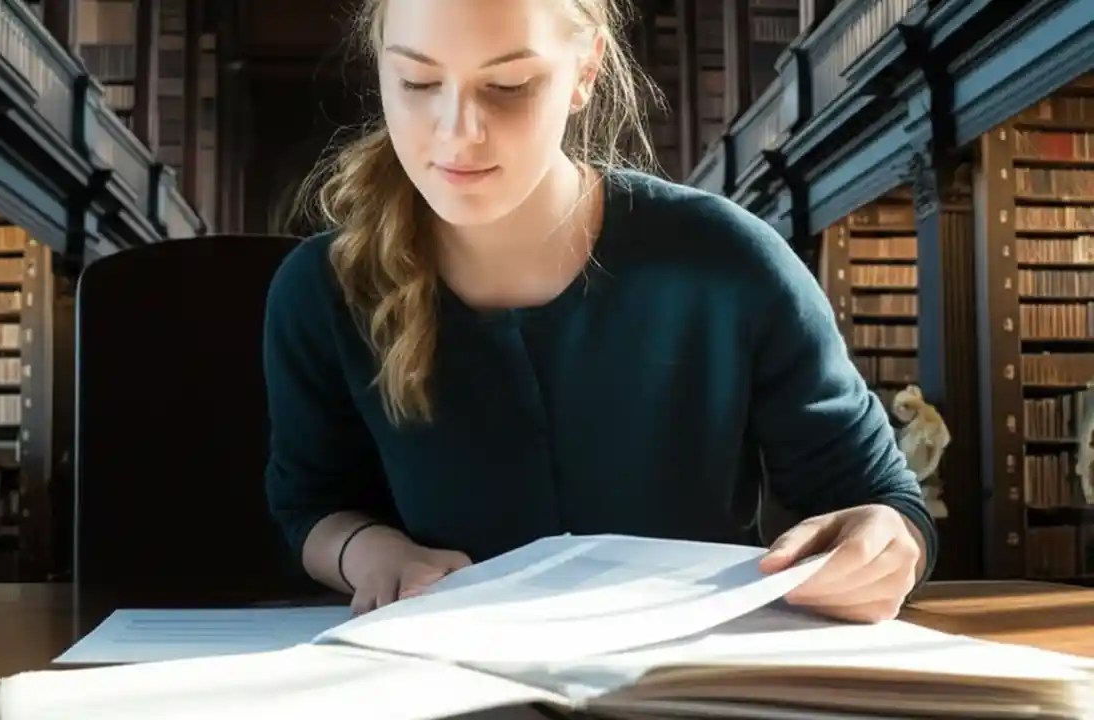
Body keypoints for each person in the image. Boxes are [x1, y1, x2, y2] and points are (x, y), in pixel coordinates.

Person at [263, 0, 938, 623]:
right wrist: (369, 551)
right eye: (415, 83)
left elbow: (882, 499)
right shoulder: (321, 290)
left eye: (508, 86)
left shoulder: (729, 261)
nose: (457, 132)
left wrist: (885, 543)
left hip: (689, 684)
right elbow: (310, 506)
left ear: (584, 70)